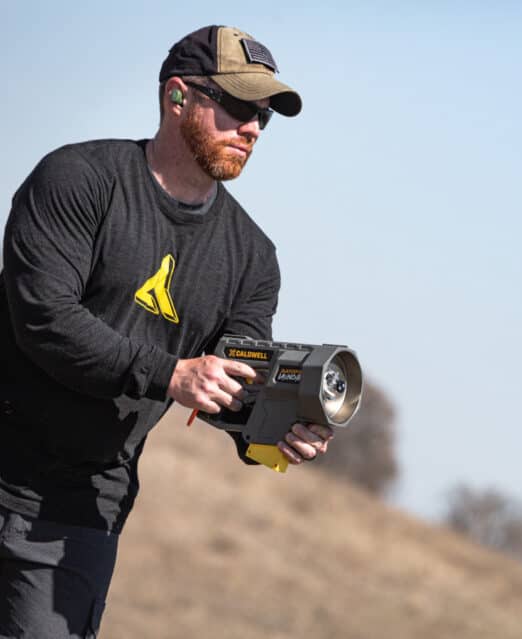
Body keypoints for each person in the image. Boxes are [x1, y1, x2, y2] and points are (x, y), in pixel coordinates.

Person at [0, 25, 332, 637]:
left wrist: (276, 430)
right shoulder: (78, 179)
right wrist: (173, 373)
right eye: (236, 105)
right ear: (177, 97)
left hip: (76, 514)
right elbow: (44, 319)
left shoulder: (253, 258)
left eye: (263, 115)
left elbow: (231, 382)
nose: (253, 128)